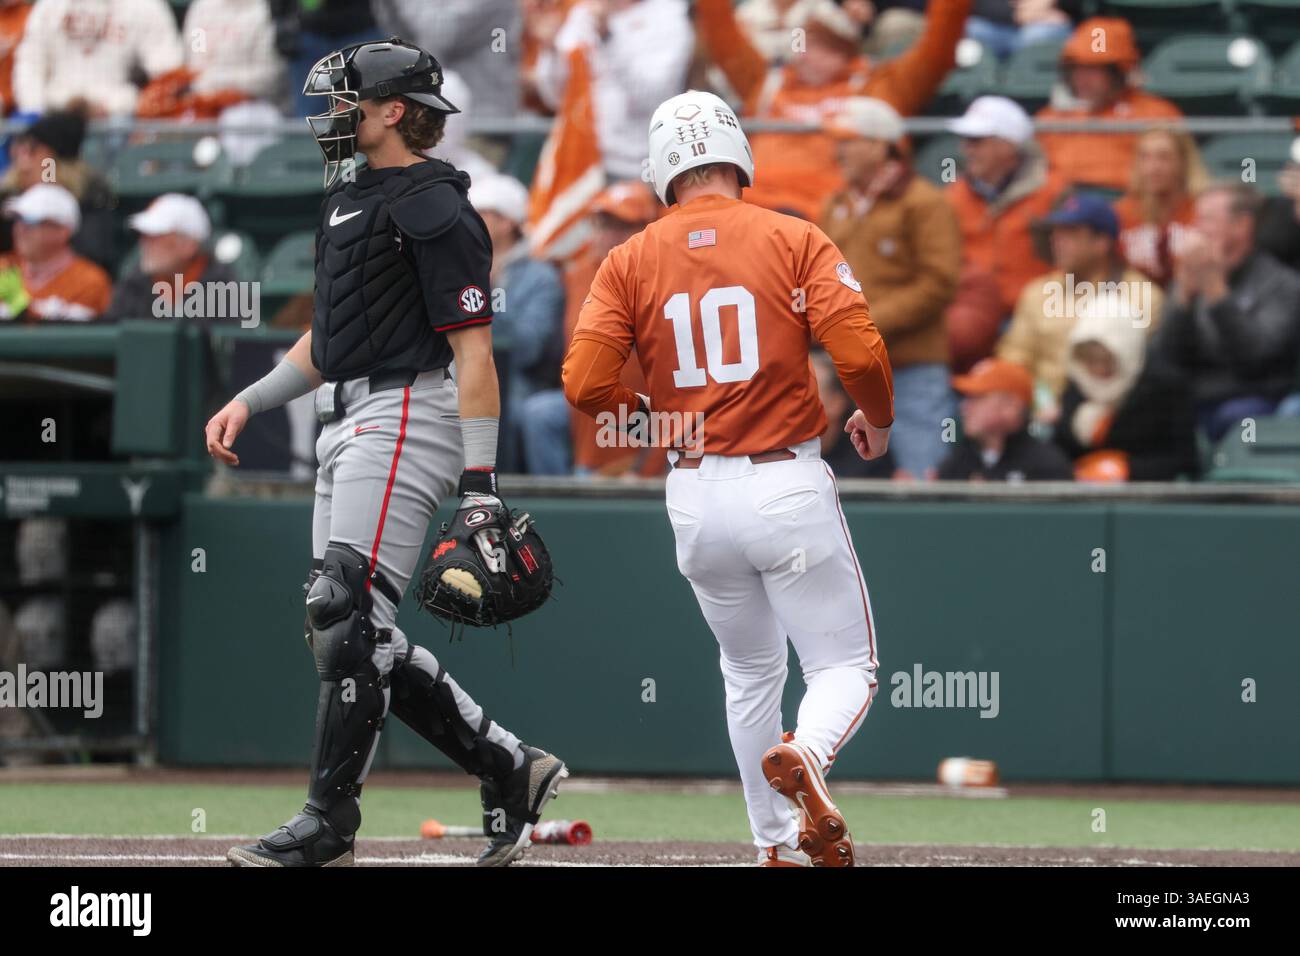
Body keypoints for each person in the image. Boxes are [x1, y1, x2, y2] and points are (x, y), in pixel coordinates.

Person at [203, 38, 567, 868]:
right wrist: (248, 399)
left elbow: (475, 351)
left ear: (393, 110)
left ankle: (329, 825)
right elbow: (331, 339)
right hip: (350, 411)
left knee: (344, 612)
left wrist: (481, 485)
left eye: (348, 101)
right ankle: (509, 766)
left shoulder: (436, 202)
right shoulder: (348, 193)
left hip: (410, 407)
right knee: (347, 628)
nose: (332, 115)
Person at [564, 90, 894, 867]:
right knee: (846, 667)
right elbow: (863, 356)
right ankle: (807, 753)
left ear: (660, 171)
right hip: (783, 478)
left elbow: (583, 385)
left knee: (748, 673)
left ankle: (773, 847)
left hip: (693, 494)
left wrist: (648, 410)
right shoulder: (793, 236)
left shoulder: (628, 257)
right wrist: (876, 421)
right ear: (737, 154)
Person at [697, 0, 970, 220]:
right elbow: (722, 34)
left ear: (843, 50)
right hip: (752, 209)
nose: (801, 54)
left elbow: (940, 44)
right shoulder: (769, 84)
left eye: (816, 46)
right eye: (800, 45)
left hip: (830, 219)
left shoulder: (882, 85)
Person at [822, 97, 960, 479]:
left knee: (922, 477)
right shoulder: (835, 204)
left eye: (848, 140)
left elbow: (939, 282)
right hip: (848, 368)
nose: (839, 150)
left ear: (880, 146)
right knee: (840, 478)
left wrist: (865, 323)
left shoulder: (925, 203)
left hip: (910, 366)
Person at [524, 179, 661, 477]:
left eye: (622, 226)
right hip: (585, 398)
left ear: (648, 229)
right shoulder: (575, 276)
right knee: (540, 413)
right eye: (603, 224)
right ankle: (559, 501)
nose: (609, 235)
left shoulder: (663, 279)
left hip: (638, 410)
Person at [1151, 183, 1300, 443]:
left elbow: (1256, 359)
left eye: (1207, 219)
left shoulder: (1282, 284)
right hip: (1192, 397)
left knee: (1234, 417)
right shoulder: (1192, 275)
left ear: (1242, 225)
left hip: (1253, 399)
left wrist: (1216, 291)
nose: (1197, 229)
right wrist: (1183, 298)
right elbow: (1165, 359)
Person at [996, 191, 1163, 419]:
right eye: (1056, 232)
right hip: (1040, 415)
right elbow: (1013, 361)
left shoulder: (1142, 296)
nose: (1057, 241)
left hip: (1113, 416)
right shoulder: (1037, 293)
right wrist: (1040, 401)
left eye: (1070, 233)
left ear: (1102, 242)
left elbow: (1138, 373)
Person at [530, 0, 693, 180]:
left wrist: (608, 39)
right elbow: (556, 98)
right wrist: (550, 50)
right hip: (582, 163)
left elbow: (654, 98)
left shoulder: (669, 16)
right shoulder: (583, 13)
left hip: (638, 166)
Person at [468, 172, 565, 473]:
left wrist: (487, 290)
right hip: (458, 375)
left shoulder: (540, 277)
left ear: (507, 221)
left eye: (483, 212)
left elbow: (528, 348)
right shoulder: (458, 270)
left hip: (518, 383)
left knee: (515, 410)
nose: (473, 220)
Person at [1052, 293, 1198, 482]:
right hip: (1082, 495)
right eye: (1090, 360)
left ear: (1126, 351)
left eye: (1108, 360)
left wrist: (1124, 469)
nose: (1099, 369)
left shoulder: (1165, 388)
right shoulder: (1077, 386)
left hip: (1145, 497)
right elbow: (1059, 449)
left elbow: (1185, 461)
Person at [945, 95, 1065, 318]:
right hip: (970, 312)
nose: (967, 149)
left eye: (977, 140)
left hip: (1034, 314)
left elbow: (1071, 261)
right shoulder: (954, 195)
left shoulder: (1054, 192)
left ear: (1008, 145)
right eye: (966, 140)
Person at [1035, 17, 1182, 193]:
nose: (1083, 77)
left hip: (1129, 209)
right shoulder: (1052, 117)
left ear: (1118, 71)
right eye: (1077, 68)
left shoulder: (1156, 114)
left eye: (1094, 69)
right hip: (1064, 210)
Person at [12, 0, 184, 116]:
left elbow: (168, 72)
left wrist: (130, 105)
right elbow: (29, 64)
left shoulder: (144, 5)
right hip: (56, 117)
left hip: (121, 119)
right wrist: (35, 112)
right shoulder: (49, 7)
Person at [0, 109, 117, 271]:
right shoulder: (11, 193)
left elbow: (94, 255)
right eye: (20, 146)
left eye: (32, 148)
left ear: (54, 160)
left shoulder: (89, 198)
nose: (21, 156)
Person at [103, 194, 241, 326]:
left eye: (155, 236)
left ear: (189, 245)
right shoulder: (132, 289)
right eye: (144, 235)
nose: (144, 242)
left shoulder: (226, 295)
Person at [936, 357, 1073, 480]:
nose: (965, 407)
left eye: (977, 398)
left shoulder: (1046, 467)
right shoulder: (956, 464)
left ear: (1011, 407)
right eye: (966, 398)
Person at [0, 183, 112, 322]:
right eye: (18, 218)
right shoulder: (4, 266)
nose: (20, 228)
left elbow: (68, 339)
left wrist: (21, 307)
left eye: (31, 220)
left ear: (63, 231)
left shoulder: (90, 281)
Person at [1113, 128, 1205, 287]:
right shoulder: (1120, 214)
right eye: (1145, 158)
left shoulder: (1204, 210)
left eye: (1164, 158)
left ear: (1183, 162)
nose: (1152, 168)